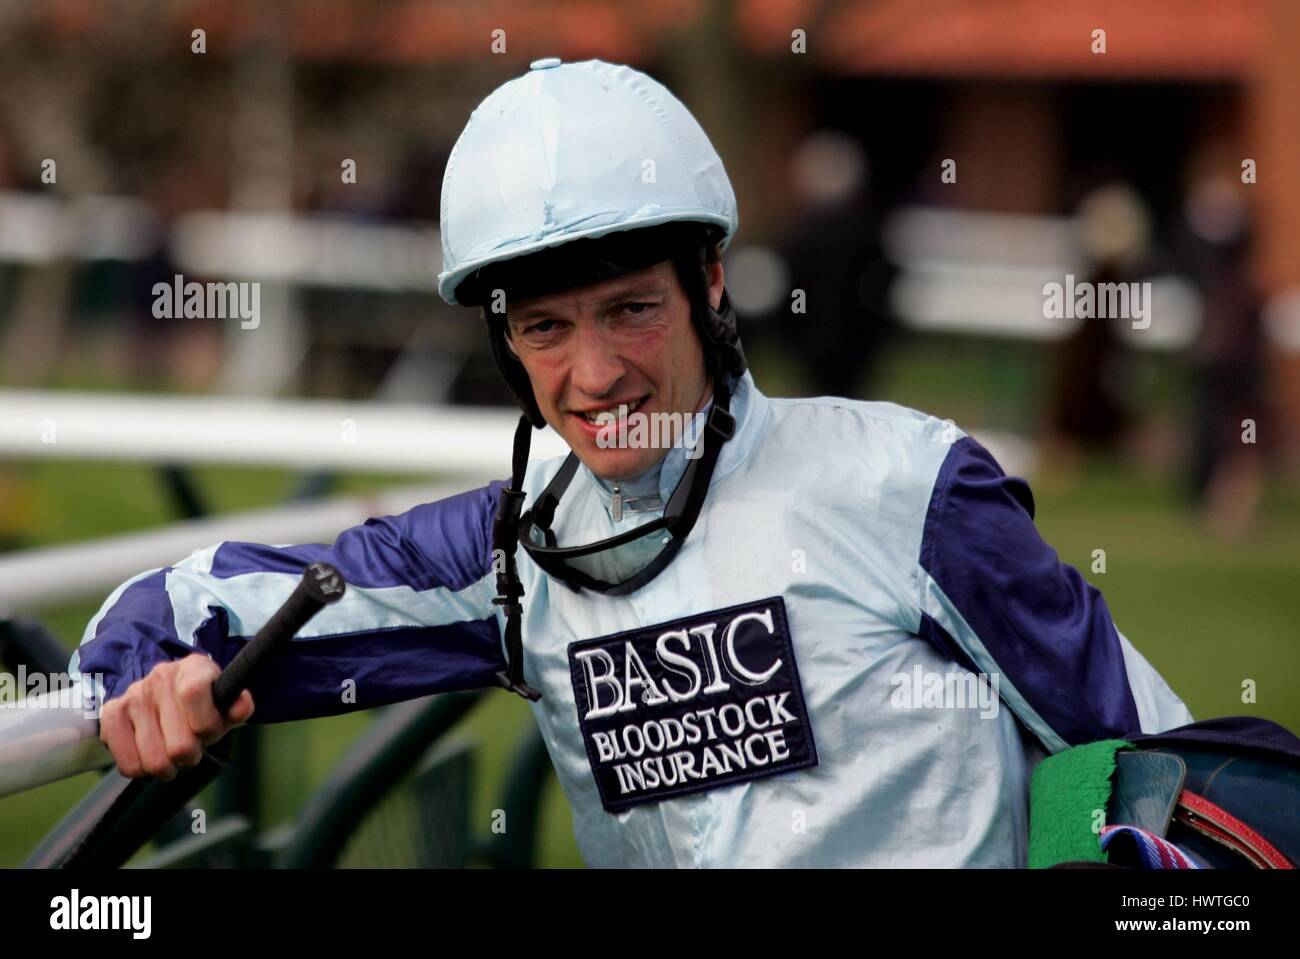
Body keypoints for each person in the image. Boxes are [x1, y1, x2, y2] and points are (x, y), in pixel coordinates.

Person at [71, 59, 1193, 867]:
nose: (596, 373)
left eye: (630, 310)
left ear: (710, 282)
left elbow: (1162, 763)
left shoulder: (912, 484)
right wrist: (146, 672)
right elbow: (189, 603)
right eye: (547, 329)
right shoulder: (510, 556)